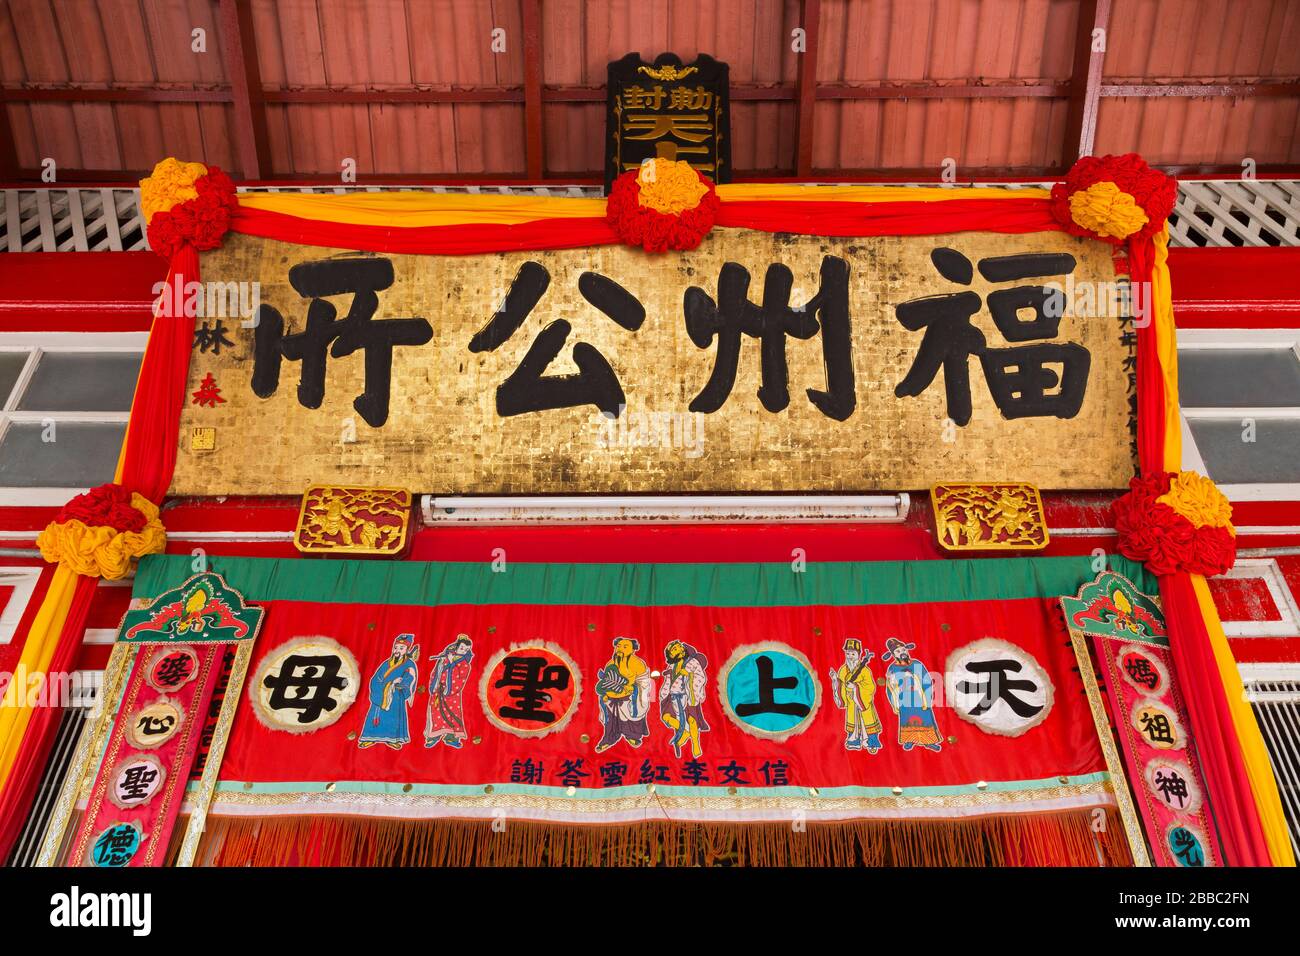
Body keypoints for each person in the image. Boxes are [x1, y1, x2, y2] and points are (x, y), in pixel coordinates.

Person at [358, 633, 419, 750]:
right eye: (396, 647)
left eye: (401, 648)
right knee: (375, 716)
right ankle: (370, 737)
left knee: (393, 717)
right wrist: (388, 684)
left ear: (407, 650)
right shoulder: (386, 664)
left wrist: (399, 683)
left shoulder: (409, 664)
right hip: (381, 694)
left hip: (396, 696)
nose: (397, 650)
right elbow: (376, 679)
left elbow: (410, 679)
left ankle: (393, 739)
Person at [882, 637, 942, 752]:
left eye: (904, 649)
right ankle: (909, 739)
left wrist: (926, 697)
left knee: (925, 718)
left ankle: (929, 741)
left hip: (919, 697)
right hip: (904, 698)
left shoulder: (916, 663)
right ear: (893, 654)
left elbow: (926, 680)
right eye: (898, 651)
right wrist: (892, 683)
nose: (902, 652)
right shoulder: (893, 668)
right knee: (907, 719)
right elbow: (890, 687)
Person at [595, 637, 653, 753]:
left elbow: (645, 682)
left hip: (630, 698)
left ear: (633, 650)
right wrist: (605, 694)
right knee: (611, 721)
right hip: (612, 698)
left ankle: (632, 736)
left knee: (631, 718)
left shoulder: (638, 663)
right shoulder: (611, 663)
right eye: (618, 646)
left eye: (625, 647)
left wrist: (634, 688)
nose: (620, 648)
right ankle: (609, 739)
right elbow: (606, 681)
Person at [829, 638, 882, 753]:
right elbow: (841, 684)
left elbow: (870, 687)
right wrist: (835, 680)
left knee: (866, 722)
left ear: (858, 654)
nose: (850, 656)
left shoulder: (865, 670)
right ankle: (855, 741)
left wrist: (856, 687)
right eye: (848, 653)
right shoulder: (843, 670)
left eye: (853, 654)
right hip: (851, 702)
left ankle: (871, 742)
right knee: (853, 723)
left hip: (862, 701)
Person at [659, 640, 710, 759]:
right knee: (666, 717)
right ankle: (685, 731)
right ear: (671, 655)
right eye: (674, 649)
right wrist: (663, 694)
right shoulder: (671, 666)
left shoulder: (692, 662)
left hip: (688, 695)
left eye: (679, 647)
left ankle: (696, 745)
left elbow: (701, 677)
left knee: (692, 721)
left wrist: (688, 674)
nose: (679, 649)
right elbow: (667, 682)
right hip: (673, 697)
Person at [424, 634, 473, 748]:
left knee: (452, 715)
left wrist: (451, 664)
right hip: (438, 691)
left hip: (452, 694)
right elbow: (435, 673)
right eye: (461, 648)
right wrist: (434, 686)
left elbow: (460, 680)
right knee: (436, 713)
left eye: (466, 650)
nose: (463, 651)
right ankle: (434, 736)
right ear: (456, 647)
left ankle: (451, 737)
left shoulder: (465, 664)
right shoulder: (444, 659)